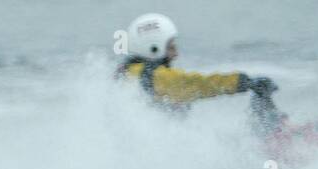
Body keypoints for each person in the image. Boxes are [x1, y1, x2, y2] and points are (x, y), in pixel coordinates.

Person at [118, 12, 276, 105]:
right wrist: (243, 82)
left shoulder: (131, 71)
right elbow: (196, 84)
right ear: (153, 48)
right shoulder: (156, 77)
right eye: (171, 47)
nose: (175, 54)